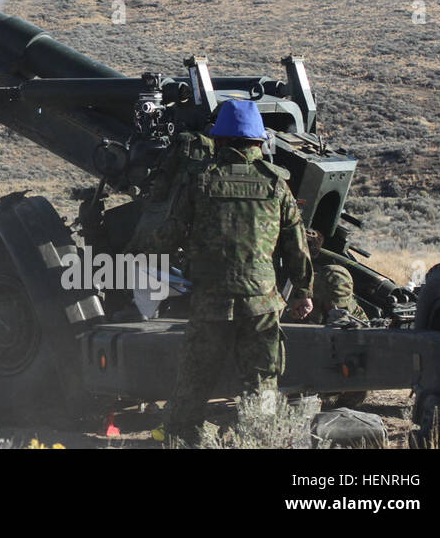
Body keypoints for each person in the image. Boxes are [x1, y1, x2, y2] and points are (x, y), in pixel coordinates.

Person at [132, 99, 314, 445]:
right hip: (261, 305)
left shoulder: (201, 181)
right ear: (258, 142)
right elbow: (296, 245)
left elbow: (169, 235)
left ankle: (181, 439)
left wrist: (142, 252)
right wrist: (303, 292)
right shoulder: (276, 185)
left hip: (211, 303)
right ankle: (259, 440)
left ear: (220, 141)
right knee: (261, 383)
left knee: (195, 380)